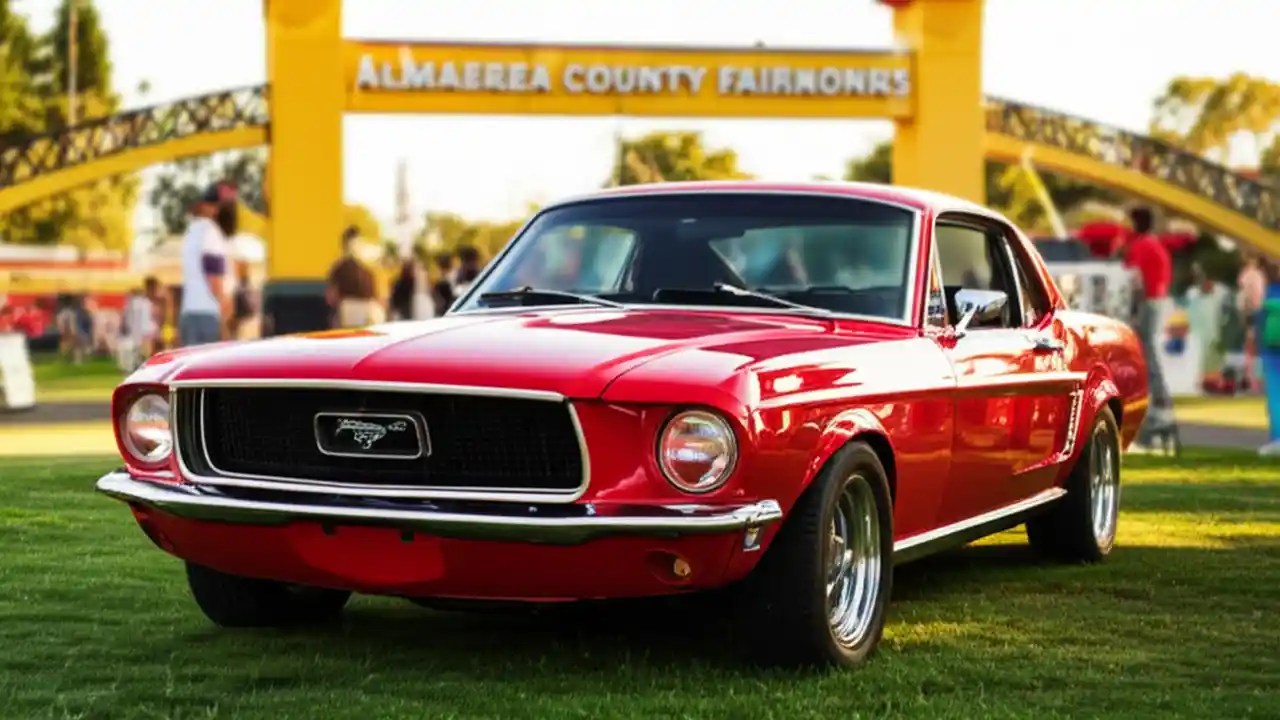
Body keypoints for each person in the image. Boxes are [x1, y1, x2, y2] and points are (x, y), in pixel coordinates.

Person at [1121, 206, 1177, 448]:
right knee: (1150, 347)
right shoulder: (1156, 245)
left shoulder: (1140, 246)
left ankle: (1158, 393)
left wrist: (1132, 309)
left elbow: (1135, 279)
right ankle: (1160, 393)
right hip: (1159, 298)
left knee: (1146, 348)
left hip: (1147, 300)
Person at [178, 184, 233, 346]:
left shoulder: (190, 232)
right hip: (207, 313)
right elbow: (213, 275)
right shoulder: (211, 232)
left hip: (188, 312)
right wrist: (224, 307)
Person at [325, 226, 385, 328]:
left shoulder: (340, 267)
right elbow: (381, 296)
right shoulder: (372, 266)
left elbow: (331, 297)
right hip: (372, 311)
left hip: (348, 312)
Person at [1255, 259, 1280, 455]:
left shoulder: (1270, 292)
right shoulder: (1269, 288)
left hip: (1272, 348)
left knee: (1275, 392)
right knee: (1274, 393)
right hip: (1270, 348)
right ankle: (1276, 437)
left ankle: (1278, 439)